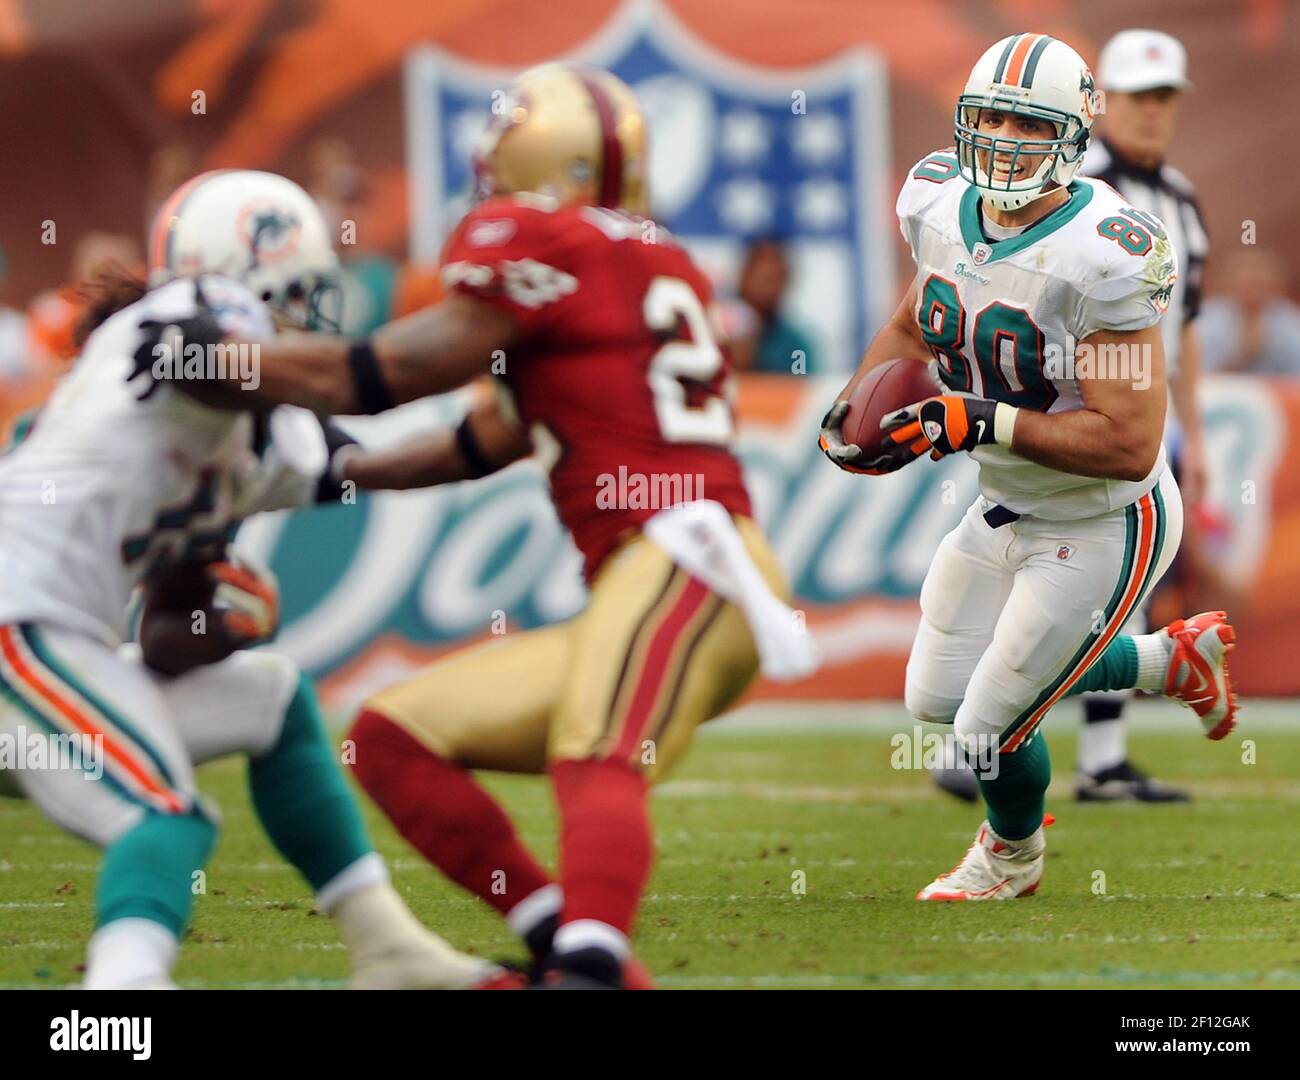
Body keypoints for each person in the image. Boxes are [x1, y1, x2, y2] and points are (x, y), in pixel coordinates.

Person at [126, 63, 815, 987]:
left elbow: (387, 373)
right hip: (652, 572)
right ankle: (553, 938)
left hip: (687, 553)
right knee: (390, 736)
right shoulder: (641, 256)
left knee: (597, 751)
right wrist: (337, 471)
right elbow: (484, 437)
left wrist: (225, 364)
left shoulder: (548, 241)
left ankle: (593, 966)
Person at [0, 170, 492, 989]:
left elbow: (164, 636)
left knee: (269, 696)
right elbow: (341, 381)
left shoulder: (255, 428)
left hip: (46, 641)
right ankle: (112, 1017)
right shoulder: (183, 328)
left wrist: (505, 437)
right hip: (15, 623)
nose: (308, 318)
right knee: (165, 818)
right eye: (297, 293)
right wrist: (481, 340)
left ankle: (389, 950)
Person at [819, 33, 1236, 900]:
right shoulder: (938, 202)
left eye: (1028, 121)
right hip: (1005, 504)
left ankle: (1009, 862)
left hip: (1104, 516)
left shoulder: (1106, 253)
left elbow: (1128, 440)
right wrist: (865, 402)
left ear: (1074, 137)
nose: (1005, 138)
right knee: (933, 698)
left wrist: (978, 419)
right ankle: (1166, 665)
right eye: (991, 117)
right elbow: (910, 324)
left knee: (984, 730)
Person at [1064, 28, 1213, 801]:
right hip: (1073, 410)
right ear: (1105, 102)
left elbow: (1185, 326)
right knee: (1038, 573)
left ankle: (1102, 760)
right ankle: (976, 737)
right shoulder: (1074, 184)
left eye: (1164, 98)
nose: (1153, 112)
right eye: (1138, 97)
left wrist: (1196, 435)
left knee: (1127, 585)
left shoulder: (1182, 199)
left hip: (1151, 421)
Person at [1198, 248, 1300, 376]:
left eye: (1261, 286)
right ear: (1230, 285)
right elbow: (1200, 375)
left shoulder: (1290, 322)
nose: (1254, 294)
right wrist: (1243, 355)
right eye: (1248, 285)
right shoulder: (1209, 318)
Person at [728, 238, 818, 374]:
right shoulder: (717, 332)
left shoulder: (796, 346)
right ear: (744, 275)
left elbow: (802, 385)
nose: (769, 289)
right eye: (765, 279)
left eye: (777, 278)